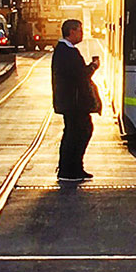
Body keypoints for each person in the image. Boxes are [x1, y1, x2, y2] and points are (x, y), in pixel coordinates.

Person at [51, 18, 100, 183]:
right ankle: (69, 169)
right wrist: (93, 66)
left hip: (72, 102)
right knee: (77, 133)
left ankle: (73, 167)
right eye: (80, 30)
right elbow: (80, 75)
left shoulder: (65, 50)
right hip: (74, 102)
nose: (82, 34)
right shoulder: (67, 52)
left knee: (76, 132)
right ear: (71, 32)